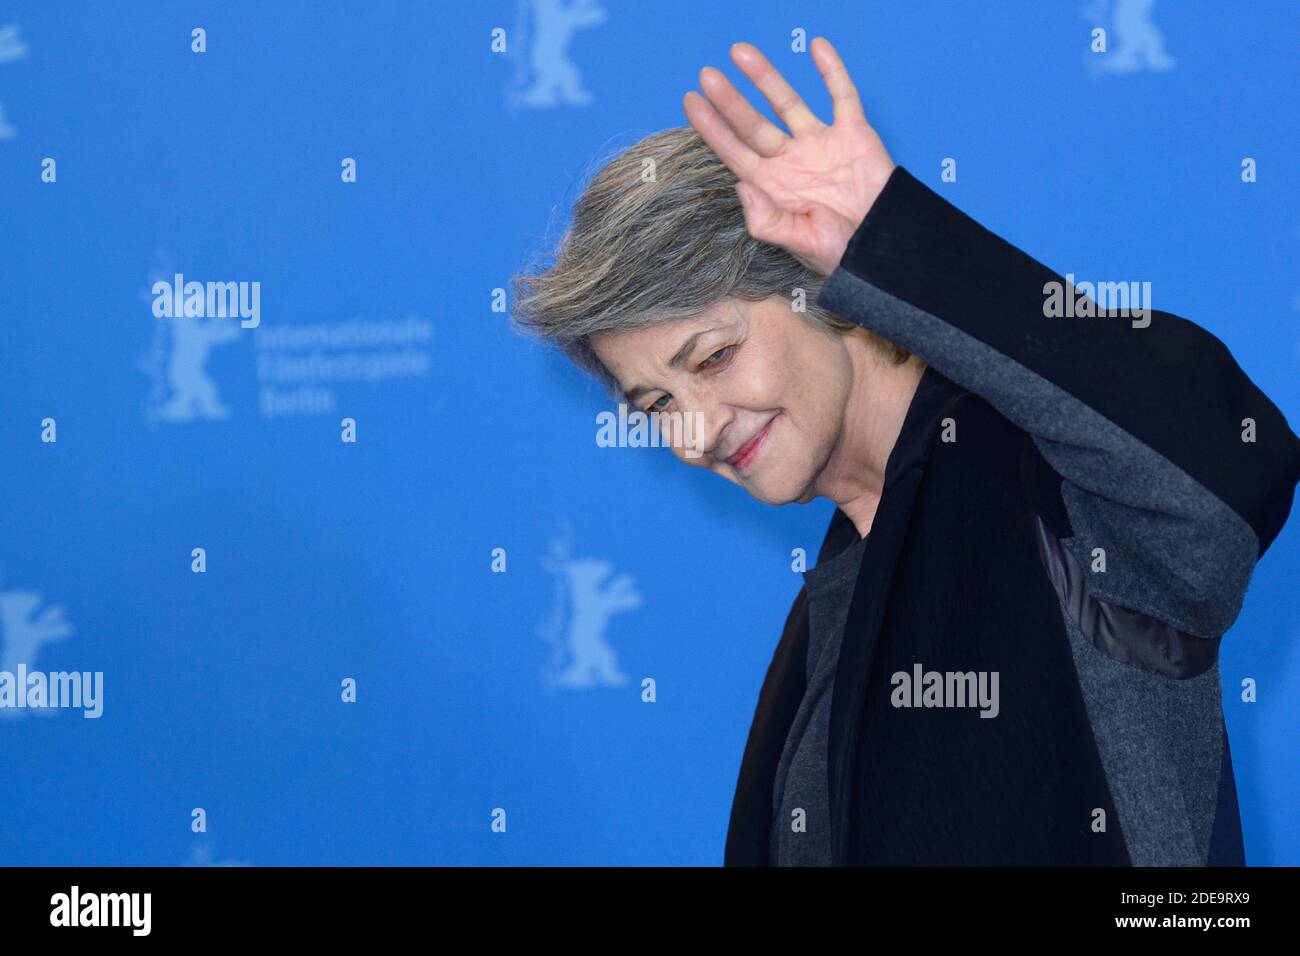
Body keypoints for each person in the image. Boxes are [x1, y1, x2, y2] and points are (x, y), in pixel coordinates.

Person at [509, 37, 1300, 865]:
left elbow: (1224, 469)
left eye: (711, 358)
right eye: (656, 404)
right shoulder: (831, 609)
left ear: (818, 284)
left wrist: (902, 242)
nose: (695, 431)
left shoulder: (1054, 487)